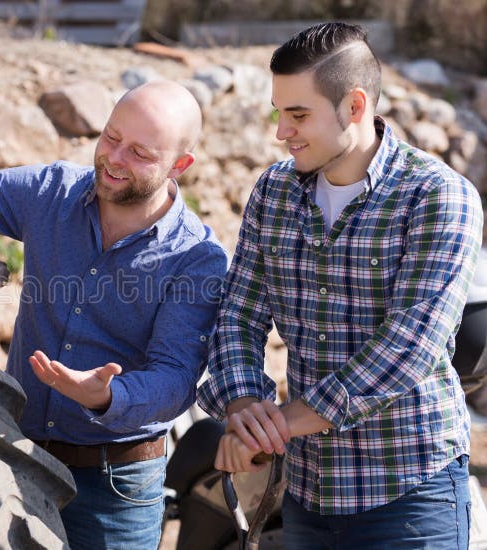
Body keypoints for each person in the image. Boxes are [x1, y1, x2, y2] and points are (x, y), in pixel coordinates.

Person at [0, 80, 229, 549]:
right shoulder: (52, 191)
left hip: (116, 487)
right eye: (111, 137)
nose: (114, 158)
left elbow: (175, 377)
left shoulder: (197, 258)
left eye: (139, 153)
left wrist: (108, 396)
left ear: (179, 165)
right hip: (18, 456)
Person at [196, 22, 483, 549]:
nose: (281, 132)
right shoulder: (273, 192)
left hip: (412, 498)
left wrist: (276, 426)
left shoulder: (439, 195)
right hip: (309, 495)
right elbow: (238, 315)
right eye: (279, 113)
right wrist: (243, 407)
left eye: (298, 115)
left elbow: (408, 347)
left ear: (354, 106)